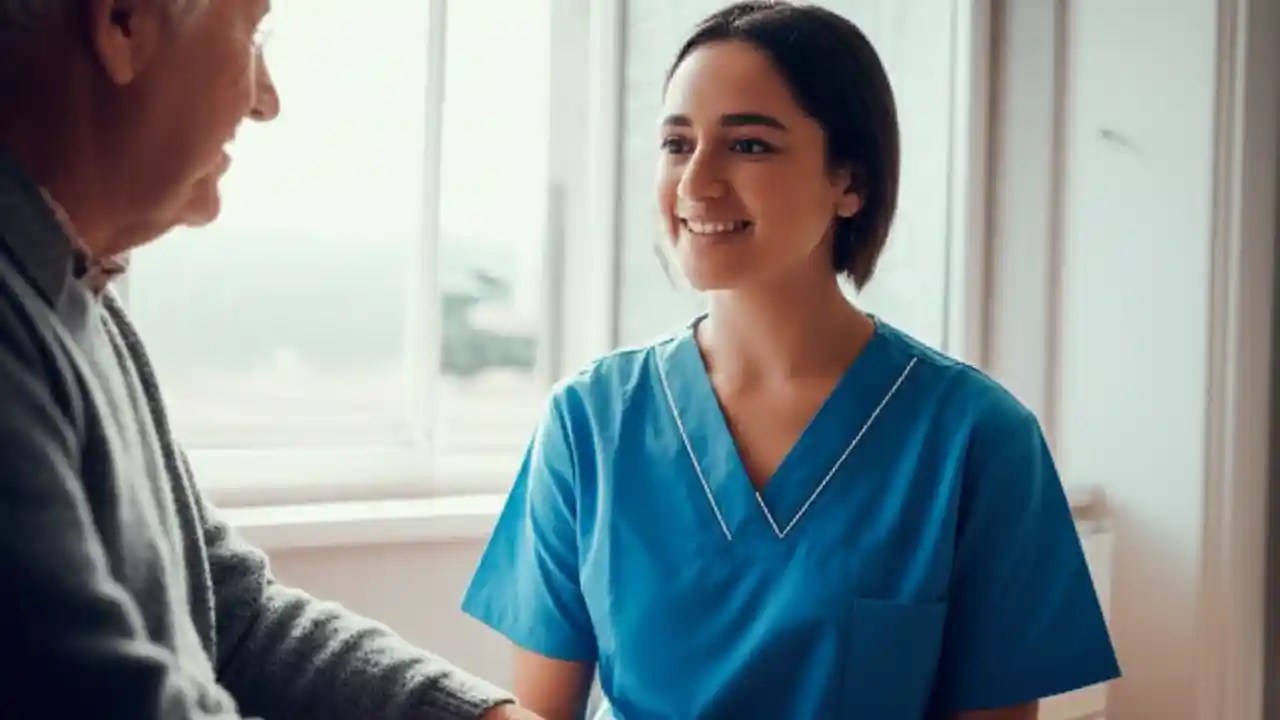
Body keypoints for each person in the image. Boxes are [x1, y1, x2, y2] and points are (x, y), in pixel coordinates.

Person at [460, 2, 1121, 718]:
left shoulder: (976, 439)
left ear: (851, 183)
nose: (696, 182)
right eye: (678, 143)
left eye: (748, 146)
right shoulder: (589, 422)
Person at [0, 1, 540, 718]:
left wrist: (485, 716)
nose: (267, 99)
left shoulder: (87, 303)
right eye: (250, 33)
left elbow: (234, 620)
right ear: (121, 24)